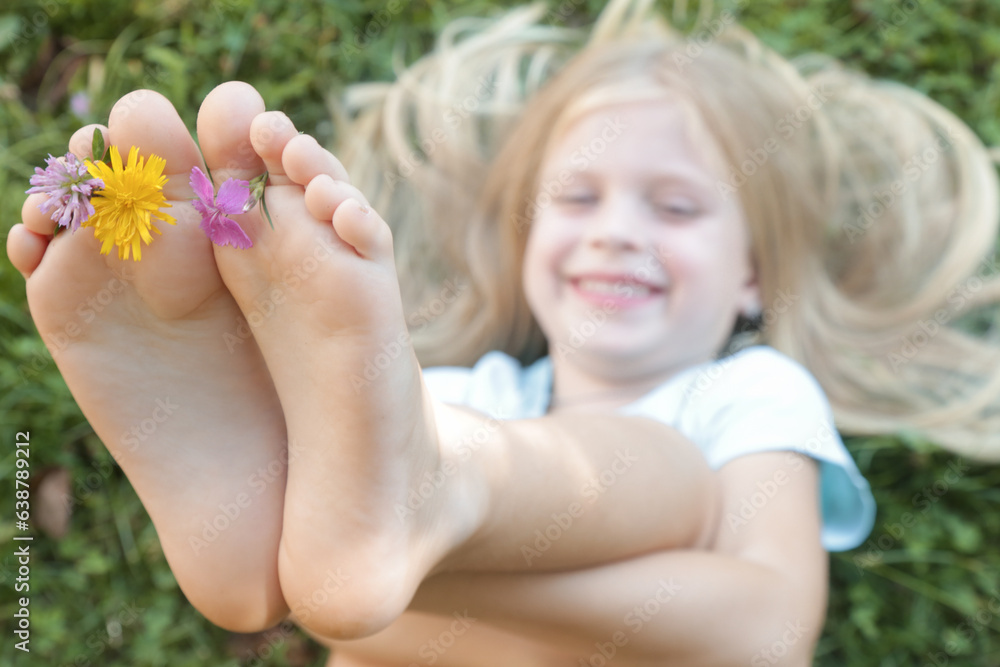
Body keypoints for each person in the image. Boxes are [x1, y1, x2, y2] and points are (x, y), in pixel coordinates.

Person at [7, 1, 999, 664]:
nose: (616, 229)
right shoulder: (470, 399)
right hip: (435, 501)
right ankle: (286, 480)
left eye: (676, 207)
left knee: (655, 470)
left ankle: (378, 508)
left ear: (751, 276)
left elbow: (764, 624)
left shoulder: (748, 391)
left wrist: (430, 574)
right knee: (405, 476)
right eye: (577, 196)